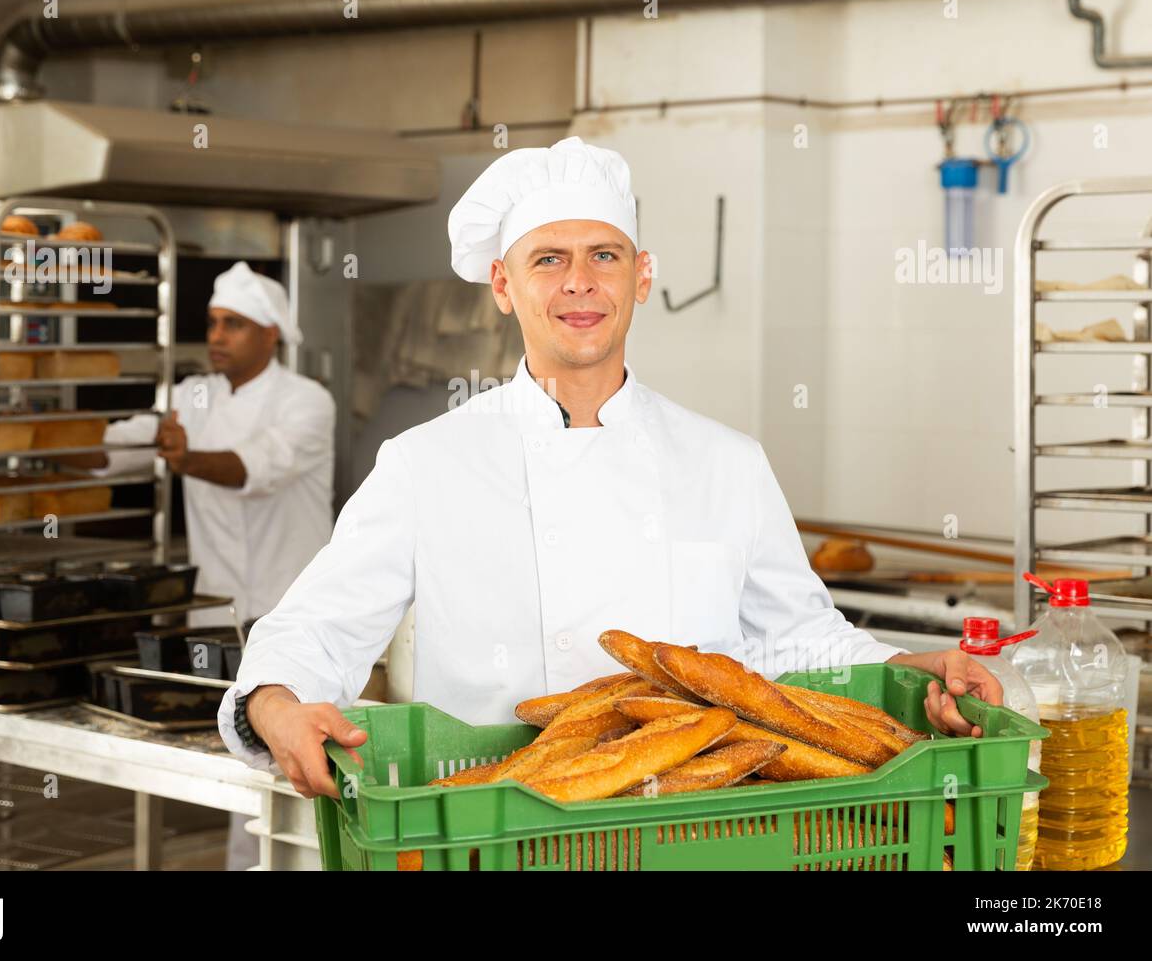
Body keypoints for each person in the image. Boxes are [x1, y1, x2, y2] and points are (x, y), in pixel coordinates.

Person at [218, 137, 1002, 799]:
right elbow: (319, 624)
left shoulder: (727, 462)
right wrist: (279, 703)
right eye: (548, 259)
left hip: (695, 832)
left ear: (642, 275)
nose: (580, 282)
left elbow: (795, 643)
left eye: (604, 255)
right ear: (503, 284)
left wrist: (915, 665)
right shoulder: (428, 464)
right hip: (501, 823)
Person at [67, 261, 336, 864]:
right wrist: (37, 435)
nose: (216, 335)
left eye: (233, 324)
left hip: (292, 612)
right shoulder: (191, 394)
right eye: (213, 322)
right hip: (215, 611)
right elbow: (120, 450)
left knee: (282, 769)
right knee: (233, 763)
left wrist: (184, 457)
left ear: (271, 333)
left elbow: (251, 467)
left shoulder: (307, 402)